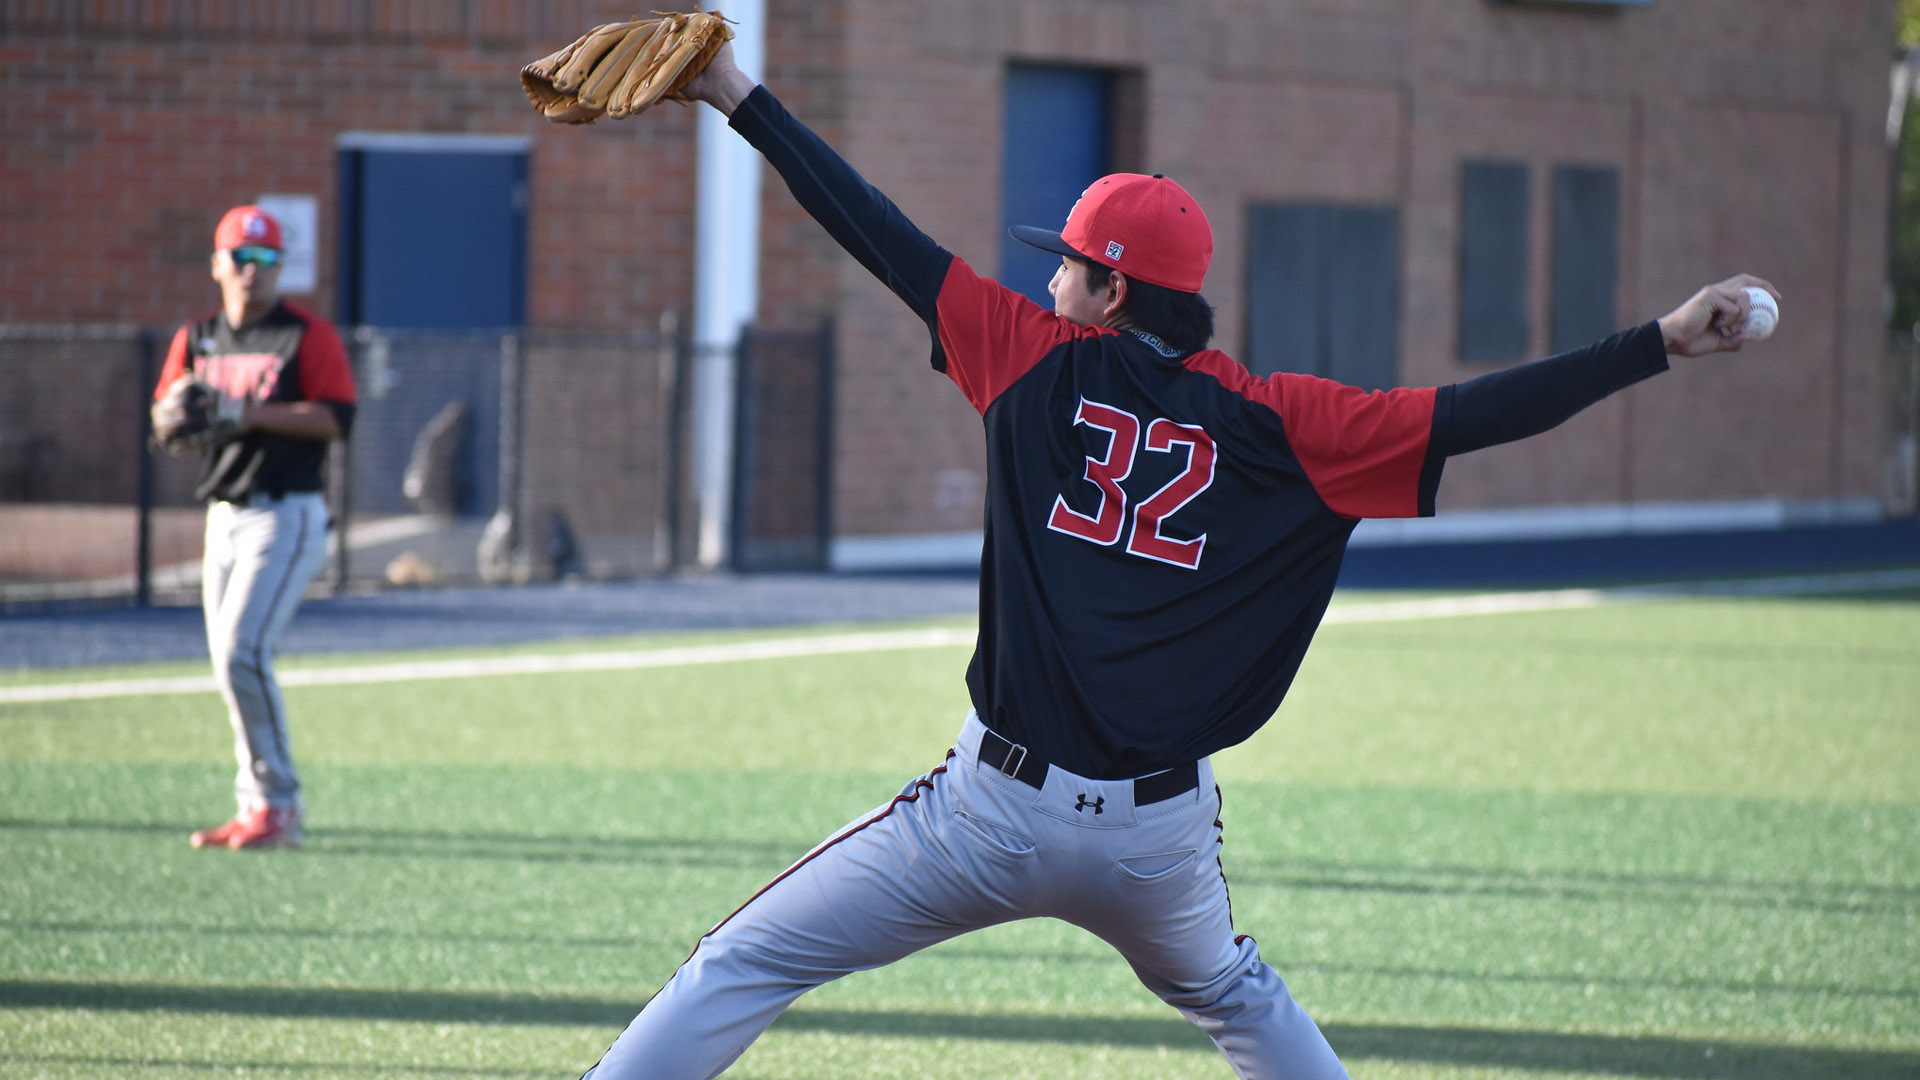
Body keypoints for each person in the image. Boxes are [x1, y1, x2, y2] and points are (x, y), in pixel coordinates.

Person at [579, 45, 1777, 1079]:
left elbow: (872, 227)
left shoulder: (1028, 354)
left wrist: (736, 90)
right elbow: (1477, 411)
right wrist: (1660, 343)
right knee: (1237, 998)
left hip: (989, 815)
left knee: (744, 959)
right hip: (1158, 842)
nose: (1047, 274)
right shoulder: (1286, 424)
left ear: (1110, 289)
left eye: (1068, 262)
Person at [152, 205, 358, 851]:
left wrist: (250, 412)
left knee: (244, 652)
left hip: (286, 511)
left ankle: (279, 804)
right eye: (241, 258)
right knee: (226, 661)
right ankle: (254, 804)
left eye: (267, 260)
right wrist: (173, 416)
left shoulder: (304, 336)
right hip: (225, 513)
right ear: (218, 265)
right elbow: (163, 421)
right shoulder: (199, 336)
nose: (253, 271)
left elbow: (336, 418)